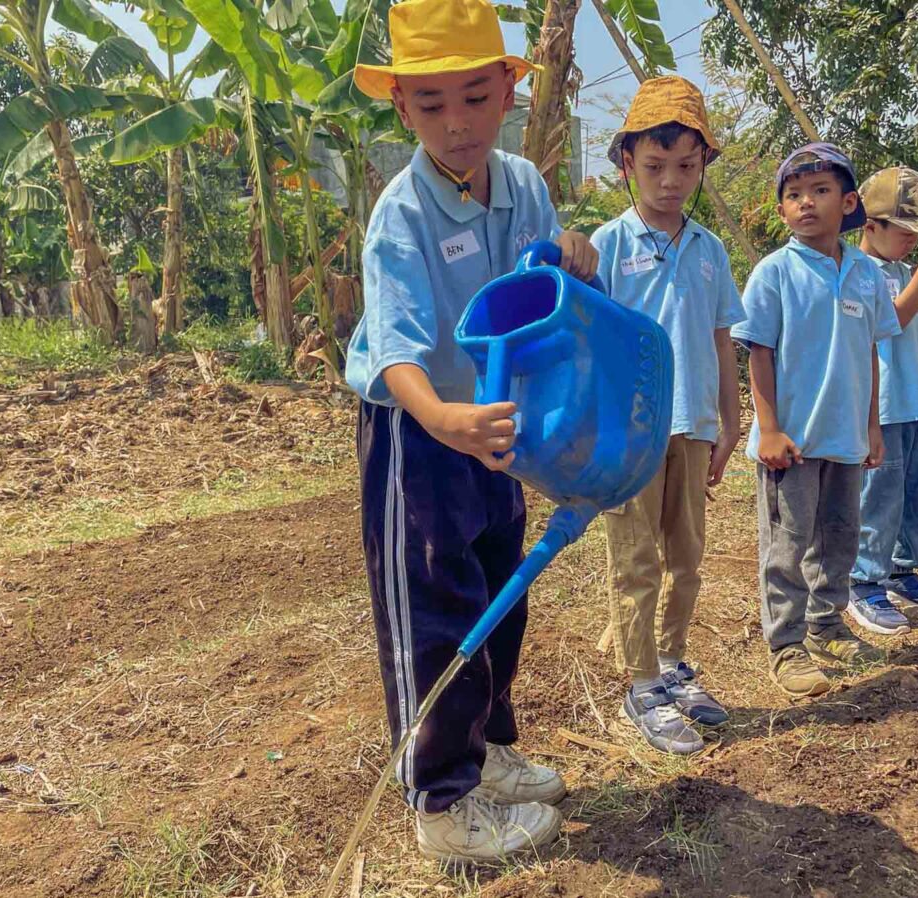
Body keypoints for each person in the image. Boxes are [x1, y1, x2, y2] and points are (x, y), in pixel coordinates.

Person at [347, 0, 598, 862]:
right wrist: (443, 418)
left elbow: (538, 285)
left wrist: (571, 250)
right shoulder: (401, 214)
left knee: (500, 590)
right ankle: (444, 804)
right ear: (402, 109)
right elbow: (397, 348)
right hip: (421, 431)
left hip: (494, 422)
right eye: (431, 104)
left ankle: (483, 752)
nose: (456, 124)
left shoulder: (522, 184)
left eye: (474, 97)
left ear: (508, 91)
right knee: (435, 607)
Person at [590, 77, 744, 753]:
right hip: (632, 431)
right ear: (627, 164)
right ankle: (641, 681)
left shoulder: (709, 251)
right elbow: (590, 345)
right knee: (636, 558)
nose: (671, 181)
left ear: (703, 165)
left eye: (686, 166)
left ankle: (676, 663)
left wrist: (730, 418)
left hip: (695, 426)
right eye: (654, 166)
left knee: (687, 555)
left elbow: (719, 338)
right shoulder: (608, 247)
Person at [731, 143, 901, 699]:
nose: (806, 203)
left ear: (848, 202)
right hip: (793, 442)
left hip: (846, 436)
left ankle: (828, 626)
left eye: (820, 191)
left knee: (840, 536)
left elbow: (871, 356)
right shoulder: (775, 273)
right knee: (788, 541)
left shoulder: (865, 276)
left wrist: (872, 428)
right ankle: (786, 643)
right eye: (793, 195)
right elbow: (758, 351)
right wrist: (769, 427)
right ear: (781, 210)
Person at [847, 167, 918, 636]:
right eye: (905, 231)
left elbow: (914, 340)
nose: (915, 242)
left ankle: (900, 570)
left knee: (913, 496)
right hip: (883, 406)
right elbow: (891, 320)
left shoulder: (898, 270)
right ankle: (862, 580)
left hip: (910, 402)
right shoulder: (860, 273)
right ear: (869, 225)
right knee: (878, 497)